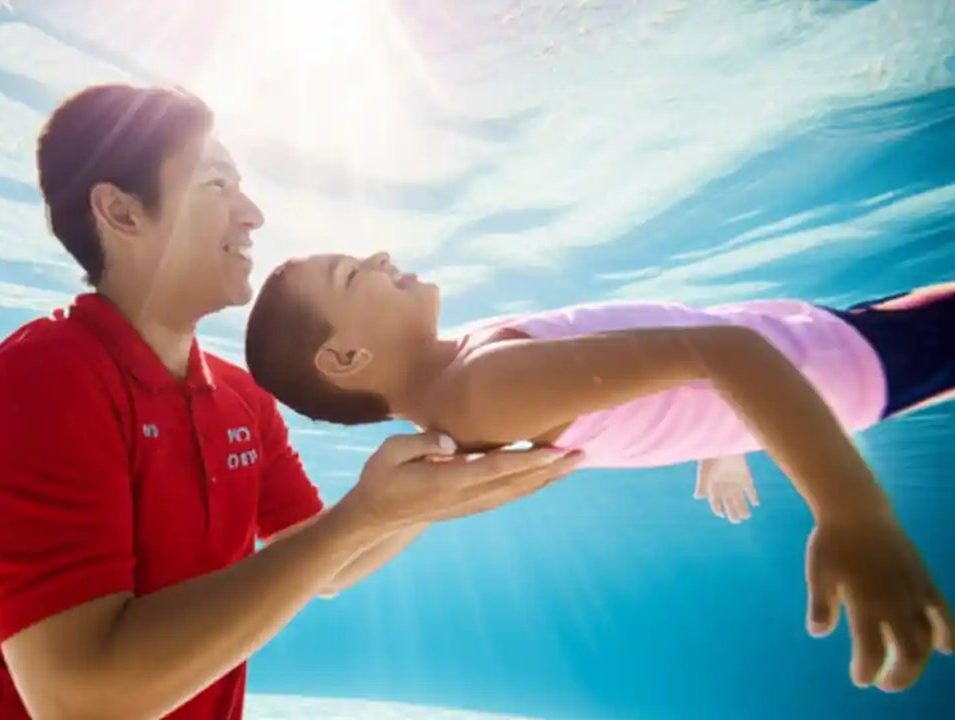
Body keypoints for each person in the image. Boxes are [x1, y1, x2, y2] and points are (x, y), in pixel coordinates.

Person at [0, 85, 581, 720]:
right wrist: (361, 517)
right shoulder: (38, 386)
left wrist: (456, 451)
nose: (253, 214)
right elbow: (81, 703)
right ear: (122, 212)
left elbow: (327, 563)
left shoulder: (240, 396)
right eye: (216, 185)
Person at [243, 251, 955, 692]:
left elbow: (673, 363)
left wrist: (728, 433)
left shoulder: (462, 374)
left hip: (815, 344)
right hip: (840, 365)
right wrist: (853, 514)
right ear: (344, 361)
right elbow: (725, 354)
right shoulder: (481, 391)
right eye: (350, 274)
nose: (380, 254)